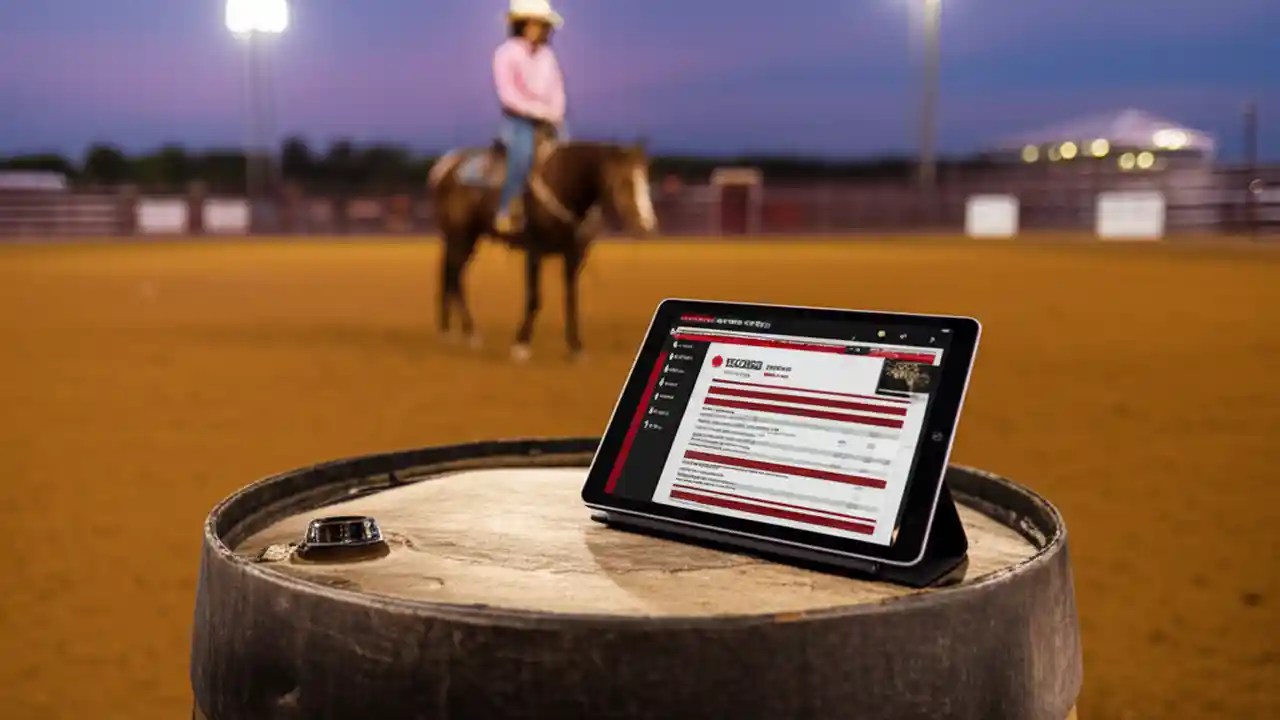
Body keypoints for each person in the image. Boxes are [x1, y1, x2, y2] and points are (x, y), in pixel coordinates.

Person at [492, 0, 566, 235]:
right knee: (522, 155)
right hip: (517, 121)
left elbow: (557, 89)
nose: (541, 29)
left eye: (544, 25)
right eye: (537, 24)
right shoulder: (505, 53)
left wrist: (556, 112)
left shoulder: (548, 56)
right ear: (523, 24)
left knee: (567, 156)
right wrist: (540, 111)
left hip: (550, 121)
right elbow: (508, 95)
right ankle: (507, 210)